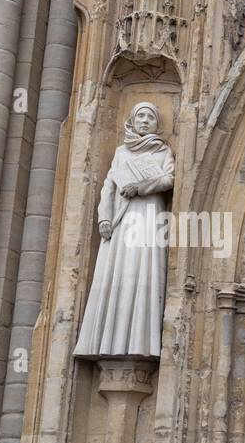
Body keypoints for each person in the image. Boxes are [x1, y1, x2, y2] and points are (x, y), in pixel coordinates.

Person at [74, 101, 175, 359]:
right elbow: (108, 186)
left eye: (150, 117)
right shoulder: (121, 152)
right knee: (119, 273)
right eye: (139, 115)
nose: (144, 120)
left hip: (149, 216)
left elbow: (168, 179)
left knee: (143, 274)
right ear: (131, 120)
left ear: (157, 124)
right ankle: (108, 341)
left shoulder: (162, 151)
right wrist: (103, 219)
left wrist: (140, 187)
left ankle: (140, 343)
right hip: (123, 218)